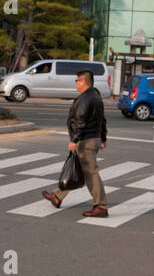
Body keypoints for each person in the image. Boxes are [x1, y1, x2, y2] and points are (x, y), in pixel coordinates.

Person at [42, 70, 109, 217]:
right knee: (78, 169)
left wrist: (74, 140)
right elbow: (102, 120)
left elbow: (80, 121)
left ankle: (101, 206)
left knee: (91, 173)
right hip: (94, 138)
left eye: (77, 80)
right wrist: (103, 138)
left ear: (84, 82)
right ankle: (57, 196)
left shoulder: (85, 99)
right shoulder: (96, 97)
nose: (76, 83)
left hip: (86, 140)